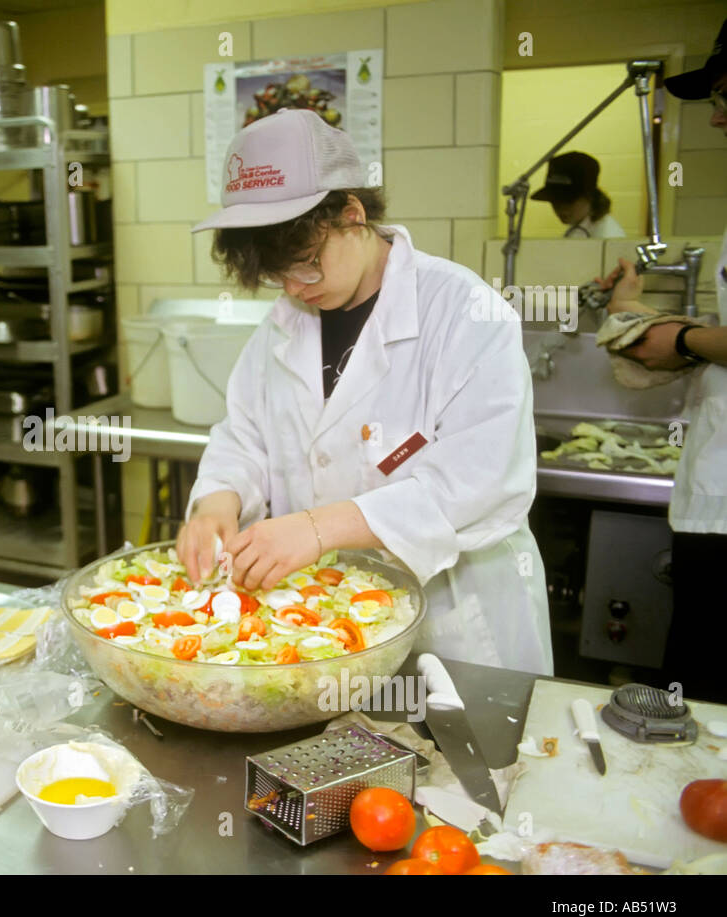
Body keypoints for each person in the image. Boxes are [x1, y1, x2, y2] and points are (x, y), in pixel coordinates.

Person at [177, 108, 552, 675]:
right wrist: (216, 504)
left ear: (352, 214)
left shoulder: (462, 313)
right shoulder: (283, 326)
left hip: (458, 634)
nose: (297, 290)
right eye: (280, 277)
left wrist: (317, 527)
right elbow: (245, 437)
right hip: (322, 631)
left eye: (306, 265)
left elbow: (484, 483)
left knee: (473, 764)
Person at [594, 19, 727, 703]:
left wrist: (677, 339)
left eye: (726, 92)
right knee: (695, 693)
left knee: (705, 698)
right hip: (716, 500)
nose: (716, 113)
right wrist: (639, 309)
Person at [532, 151, 625, 239]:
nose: (560, 208)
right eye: (554, 201)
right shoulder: (577, 227)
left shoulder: (606, 236)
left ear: (589, 197)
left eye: (568, 201)